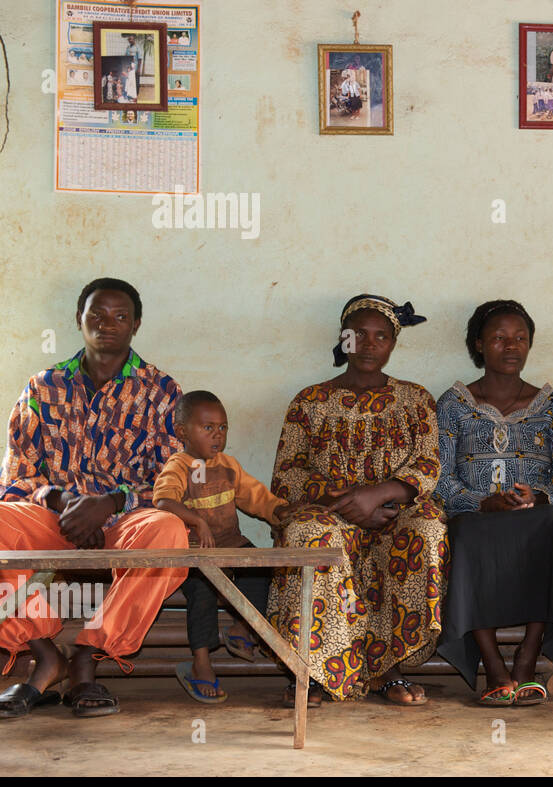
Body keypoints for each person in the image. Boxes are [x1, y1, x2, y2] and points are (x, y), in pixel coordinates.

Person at [0, 279, 189, 720]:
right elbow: (16, 479)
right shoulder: (43, 387)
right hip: (56, 521)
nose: (107, 325)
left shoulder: (161, 392)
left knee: (169, 531)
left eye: (120, 316)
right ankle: (46, 655)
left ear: (136, 324)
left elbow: (171, 481)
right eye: (96, 316)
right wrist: (60, 498)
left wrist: (110, 502)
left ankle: (88, 655)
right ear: (78, 320)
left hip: (125, 522)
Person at [266, 294, 448, 707]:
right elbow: (287, 474)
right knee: (310, 532)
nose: (368, 344)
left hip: (391, 513)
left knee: (427, 526)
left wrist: (379, 496)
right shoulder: (309, 401)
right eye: (358, 334)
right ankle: (314, 671)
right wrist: (345, 502)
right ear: (343, 338)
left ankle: (388, 666)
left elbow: (427, 465)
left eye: (380, 336)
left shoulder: (416, 399)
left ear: (392, 344)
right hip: (330, 512)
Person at [435, 300, 553, 706]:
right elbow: (437, 476)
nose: (511, 346)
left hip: (533, 517)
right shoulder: (453, 405)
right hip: (475, 517)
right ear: (479, 344)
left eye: (520, 338)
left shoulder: (552, 405)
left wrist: (540, 497)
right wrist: (482, 503)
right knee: (464, 534)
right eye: (499, 338)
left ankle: (527, 658)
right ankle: (494, 666)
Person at [153, 390, 297, 704]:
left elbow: (255, 496)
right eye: (208, 428)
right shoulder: (178, 466)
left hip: (231, 545)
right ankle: (200, 662)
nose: (217, 435)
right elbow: (163, 502)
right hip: (194, 554)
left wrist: (280, 511)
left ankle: (241, 628)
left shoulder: (228, 465)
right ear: (182, 432)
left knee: (262, 568)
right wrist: (197, 521)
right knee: (202, 591)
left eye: (223, 427)